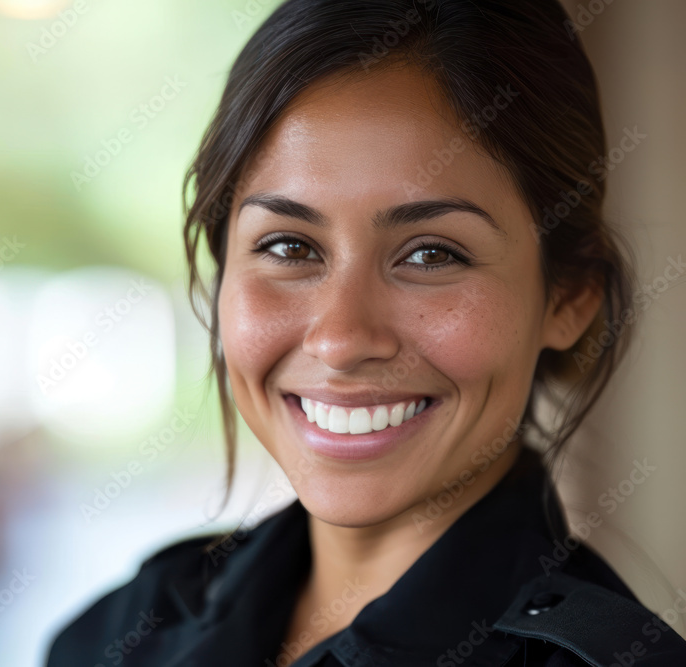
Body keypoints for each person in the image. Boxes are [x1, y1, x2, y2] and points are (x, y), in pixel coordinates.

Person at [45, 0, 686, 664]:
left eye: (432, 254)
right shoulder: (121, 629)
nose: (342, 338)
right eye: (291, 248)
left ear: (568, 296)